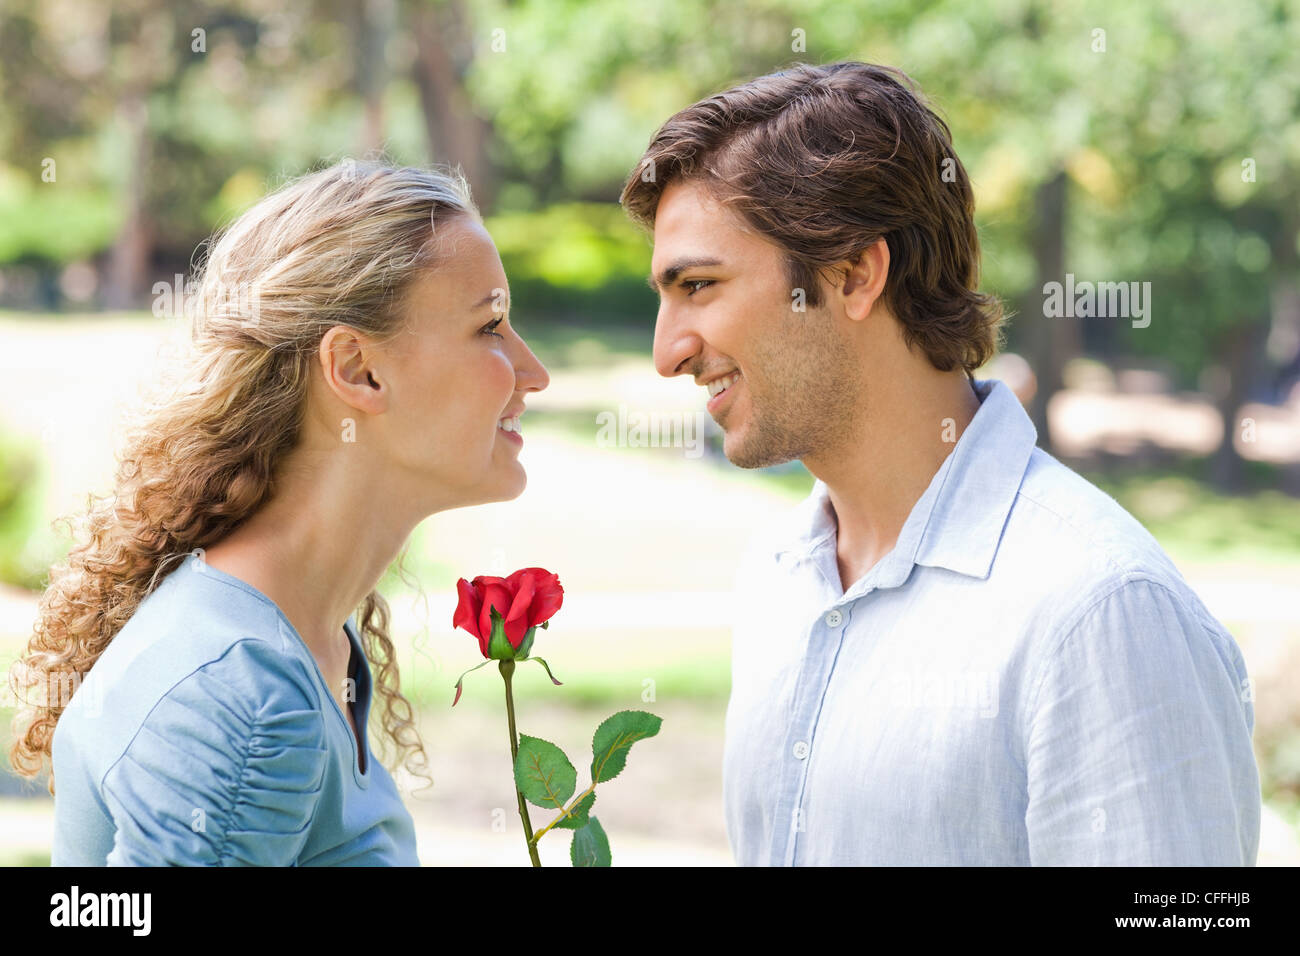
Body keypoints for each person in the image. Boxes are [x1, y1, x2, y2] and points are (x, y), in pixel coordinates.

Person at [620, 61, 1261, 865]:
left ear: (854, 274)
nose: (665, 351)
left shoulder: (1101, 613)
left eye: (700, 285)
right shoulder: (781, 575)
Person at [7, 159, 549, 865]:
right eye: (491, 326)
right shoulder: (244, 693)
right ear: (358, 370)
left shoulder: (306, 643)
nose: (533, 371)